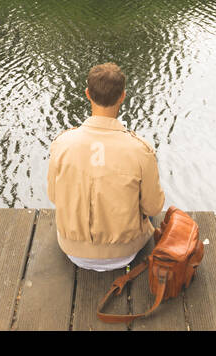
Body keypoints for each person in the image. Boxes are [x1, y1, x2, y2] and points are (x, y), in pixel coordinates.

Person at [47, 62, 165, 271]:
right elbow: (153, 207)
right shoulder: (140, 150)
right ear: (122, 96)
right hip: (125, 253)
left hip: (72, 250)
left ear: (87, 94)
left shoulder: (62, 145)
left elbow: (54, 196)